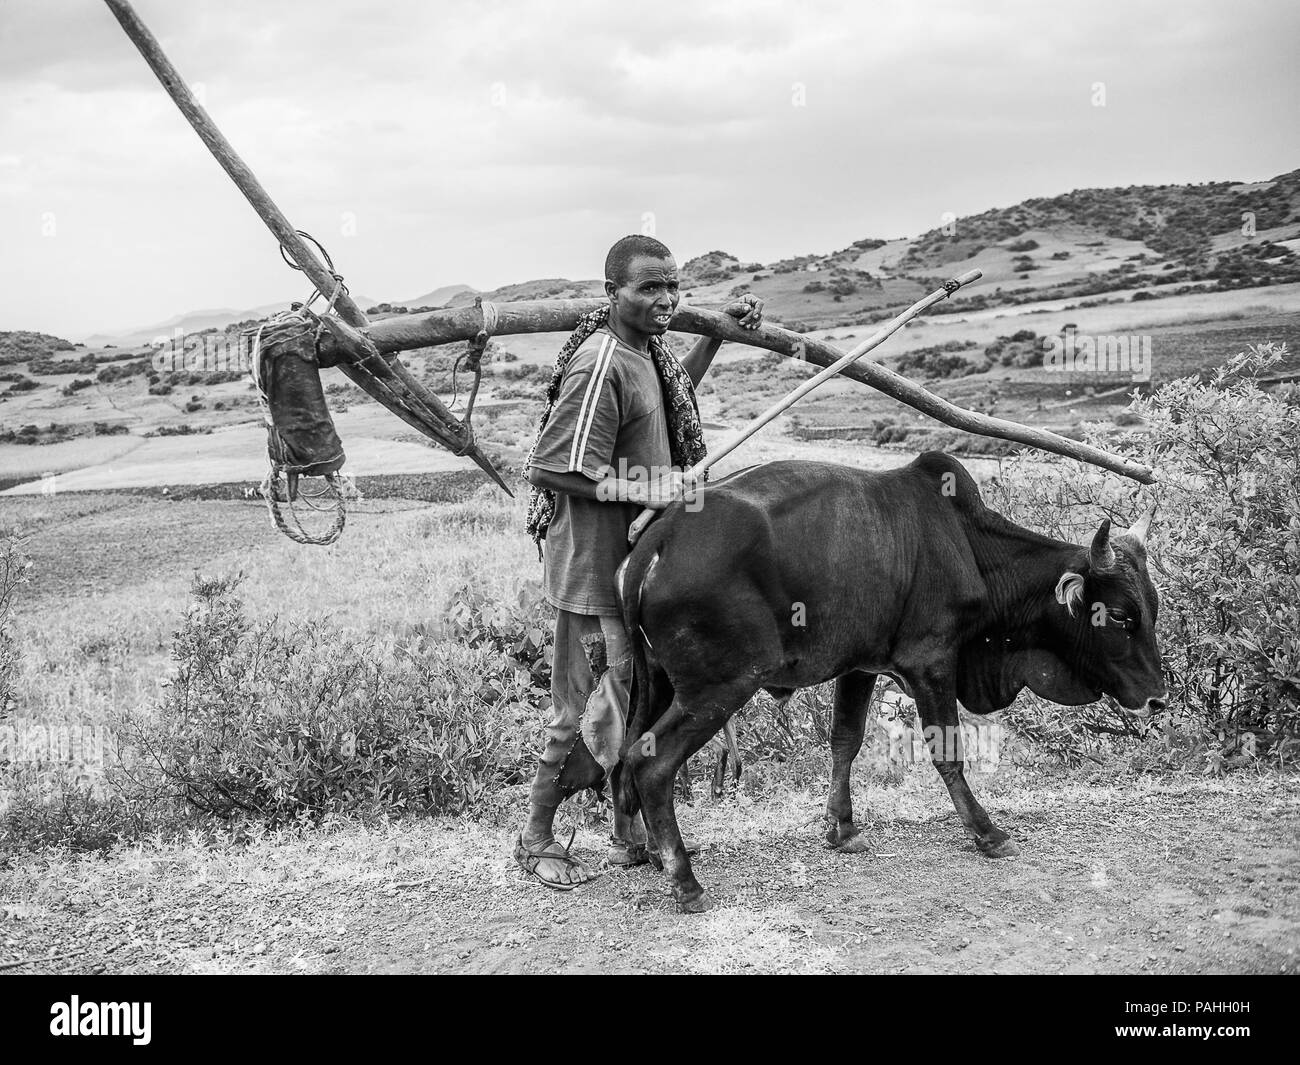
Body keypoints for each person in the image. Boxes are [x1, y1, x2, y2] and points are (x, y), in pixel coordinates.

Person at [515, 234, 763, 889]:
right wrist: (651, 489)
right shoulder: (600, 361)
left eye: (672, 286)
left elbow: (665, 399)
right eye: (648, 288)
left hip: (642, 574)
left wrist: (716, 337)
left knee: (637, 704)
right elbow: (551, 467)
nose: (665, 299)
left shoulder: (646, 355)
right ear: (611, 294)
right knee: (584, 712)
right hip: (595, 572)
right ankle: (535, 834)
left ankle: (629, 835)